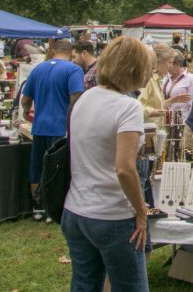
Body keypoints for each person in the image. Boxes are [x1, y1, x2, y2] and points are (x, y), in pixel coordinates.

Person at [61, 37, 152, 291]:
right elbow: (124, 168)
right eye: (147, 67)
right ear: (134, 68)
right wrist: (141, 212)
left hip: (76, 210)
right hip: (112, 215)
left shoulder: (84, 98)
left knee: (84, 284)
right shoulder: (128, 107)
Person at [21, 39, 84, 222]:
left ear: (53, 51)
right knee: (58, 169)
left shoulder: (38, 69)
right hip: (60, 128)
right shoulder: (73, 70)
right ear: (71, 53)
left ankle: (37, 207)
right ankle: (53, 208)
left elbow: (26, 100)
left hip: (39, 127)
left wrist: (27, 112)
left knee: (37, 167)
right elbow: (76, 98)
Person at [139, 44, 188, 122]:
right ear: (158, 62)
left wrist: (171, 101)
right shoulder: (148, 80)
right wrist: (156, 112)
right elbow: (138, 107)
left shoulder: (158, 80)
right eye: (169, 62)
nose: (171, 66)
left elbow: (157, 106)